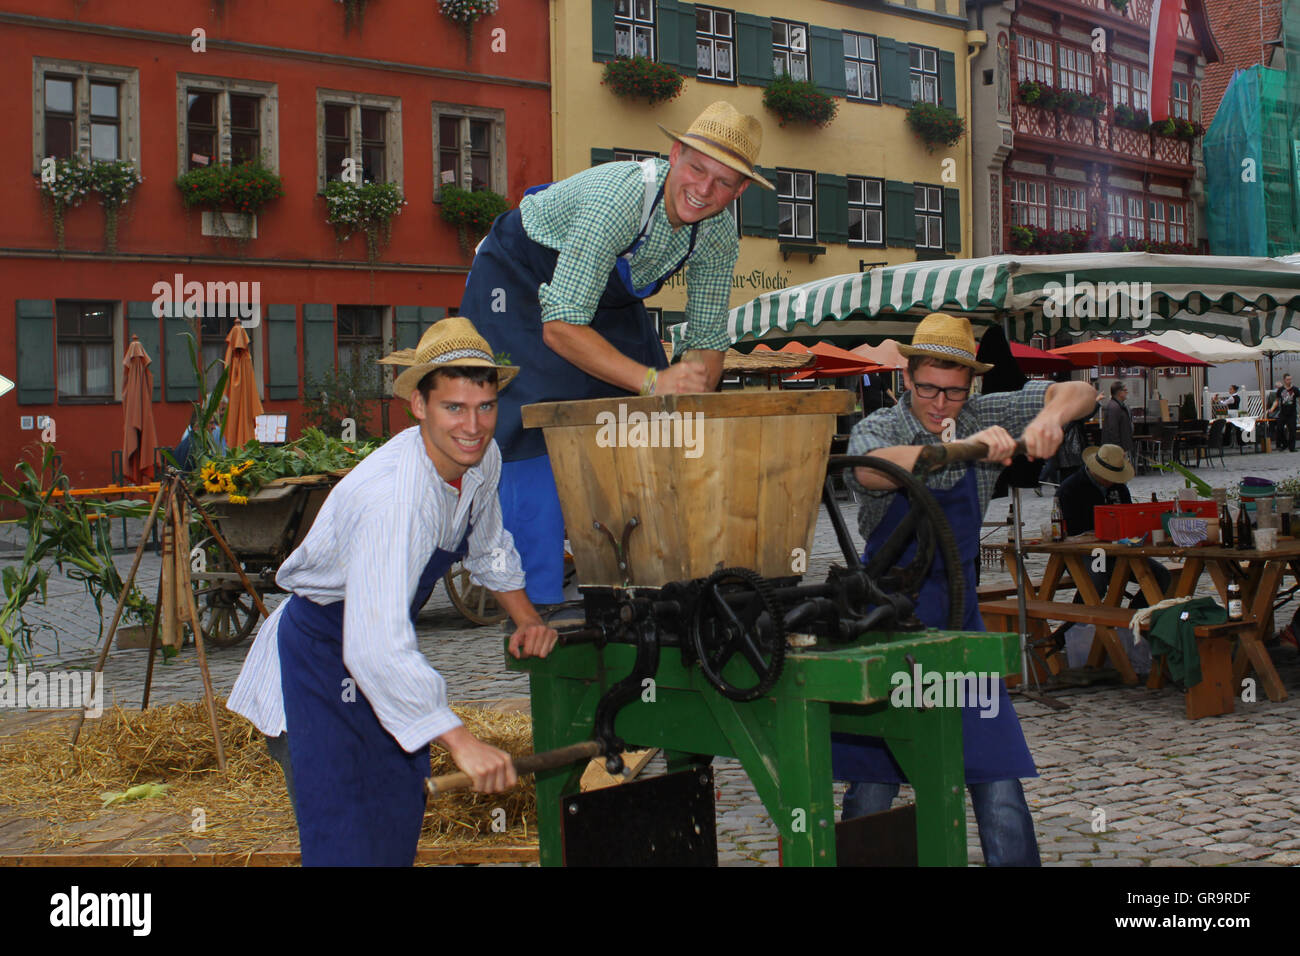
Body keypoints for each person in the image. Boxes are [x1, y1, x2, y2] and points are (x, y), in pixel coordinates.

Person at [227, 317, 559, 866]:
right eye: (454, 407)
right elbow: (375, 645)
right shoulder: (396, 498)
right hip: (319, 661)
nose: (472, 425)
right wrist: (462, 740)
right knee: (345, 834)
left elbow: (490, 543)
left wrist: (526, 618)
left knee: (396, 809)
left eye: (485, 406)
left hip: (373, 658)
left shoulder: (481, 458)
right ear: (419, 406)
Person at [460, 101, 770, 614]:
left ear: (739, 191)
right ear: (674, 155)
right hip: (516, 280)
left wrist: (689, 389)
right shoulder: (618, 198)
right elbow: (561, 328)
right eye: (696, 168)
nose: (704, 190)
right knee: (534, 418)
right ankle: (533, 609)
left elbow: (709, 340)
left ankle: (644, 590)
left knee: (650, 423)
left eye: (723, 183)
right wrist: (654, 381)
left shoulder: (717, 233)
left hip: (603, 298)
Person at [836, 312, 1098, 866]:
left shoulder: (985, 412)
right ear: (906, 379)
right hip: (884, 623)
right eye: (929, 388)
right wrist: (965, 450)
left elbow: (1082, 390)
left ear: (970, 387)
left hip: (957, 619)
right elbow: (872, 470)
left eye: (954, 393)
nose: (940, 404)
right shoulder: (881, 426)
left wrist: (1051, 417)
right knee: (874, 784)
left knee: (996, 773)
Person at [1056, 444, 1172, 607]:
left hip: (1118, 550)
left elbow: (1130, 515)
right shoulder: (1070, 488)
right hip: (1088, 551)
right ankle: (1076, 627)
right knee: (1096, 581)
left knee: (1160, 575)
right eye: (1108, 476)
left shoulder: (1119, 487)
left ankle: (1132, 620)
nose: (1111, 481)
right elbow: (1071, 530)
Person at [1100, 381, 1134, 462]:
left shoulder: (1118, 405)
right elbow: (1113, 430)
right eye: (1125, 390)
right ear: (1119, 392)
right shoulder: (1114, 407)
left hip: (1120, 447)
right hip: (1116, 449)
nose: (1127, 392)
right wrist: (1118, 449)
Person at [1267, 373, 1298, 452]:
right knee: (1279, 429)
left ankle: (1292, 448)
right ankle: (1285, 444)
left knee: (1292, 430)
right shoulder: (1281, 390)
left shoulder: (1295, 389)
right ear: (1284, 380)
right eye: (1288, 379)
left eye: (1290, 379)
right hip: (1283, 413)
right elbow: (1277, 401)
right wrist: (1272, 409)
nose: (1289, 381)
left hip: (1292, 413)